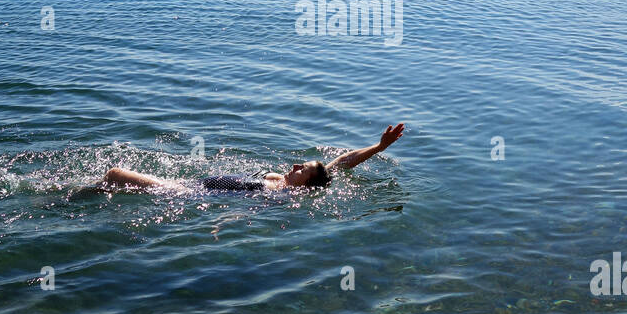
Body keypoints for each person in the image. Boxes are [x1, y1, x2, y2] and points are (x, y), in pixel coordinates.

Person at [97, 123, 405, 193]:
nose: (296, 166)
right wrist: (377, 148)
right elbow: (342, 160)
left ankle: (70, 197)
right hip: (195, 183)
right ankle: (78, 193)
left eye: (302, 170)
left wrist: (221, 222)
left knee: (115, 175)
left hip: (190, 192)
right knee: (110, 180)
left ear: (303, 186)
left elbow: (244, 210)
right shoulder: (287, 181)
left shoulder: (281, 194)